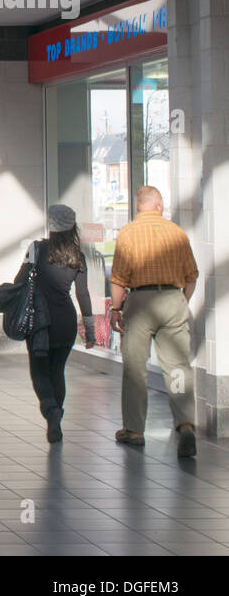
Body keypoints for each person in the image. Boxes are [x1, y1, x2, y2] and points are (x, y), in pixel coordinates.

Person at [109, 186, 199, 457]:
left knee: (135, 367)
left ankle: (134, 430)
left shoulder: (128, 233)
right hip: (173, 299)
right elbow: (192, 276)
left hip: (140, 302)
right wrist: (181, 300)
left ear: (139, 207)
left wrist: (115, 309)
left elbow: (118, 279)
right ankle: (185, 425)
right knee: (178, 368)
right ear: (159, 205)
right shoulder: (177, 233)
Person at [17, 205, 96, 443]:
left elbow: (19, 280)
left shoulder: (37, 249)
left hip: (40, 321)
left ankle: (52, 413)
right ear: (72, 227)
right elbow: (83, 295)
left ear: (50, 225)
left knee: (39, 371)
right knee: (57, 371)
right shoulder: (77, 257)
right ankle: (56, 417)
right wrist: (89, 332)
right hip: (66, 322)